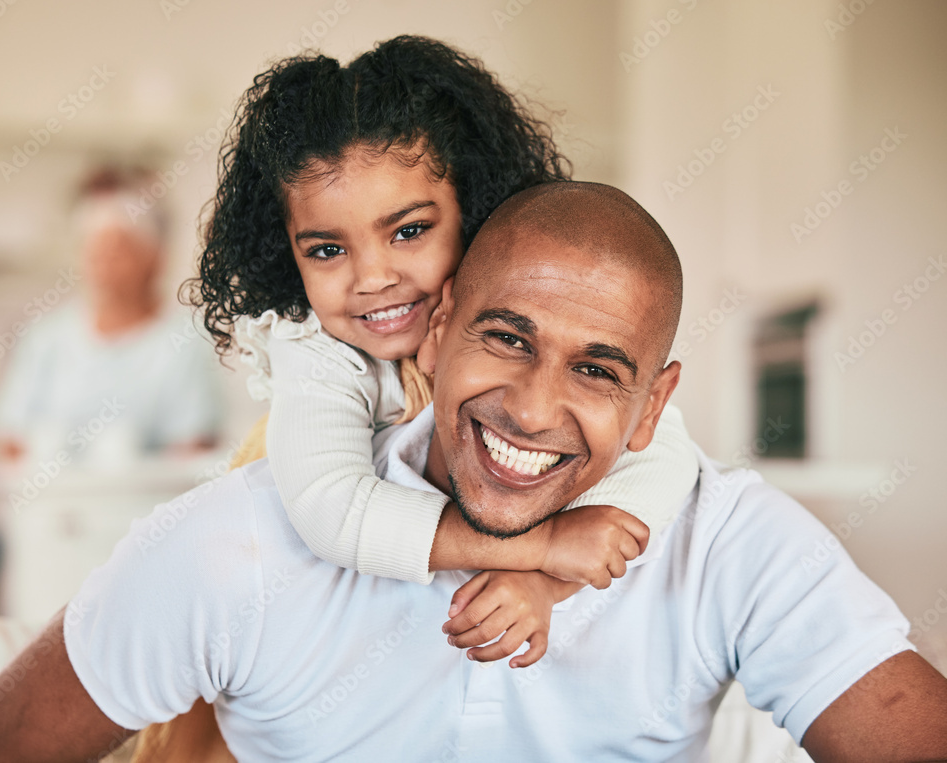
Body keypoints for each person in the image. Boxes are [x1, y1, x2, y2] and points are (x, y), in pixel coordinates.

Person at [0, 183, 947, 762]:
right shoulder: (238, 541)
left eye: (596, 370)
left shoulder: (728, 540)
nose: (529, 406)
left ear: (654, 403)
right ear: (436, 333)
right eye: (505, 338)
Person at [189, 35, 698, 667]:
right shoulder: (316, 354)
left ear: (474, 211)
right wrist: (541, 548)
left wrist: (547, 584)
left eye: (408, 231)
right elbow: (336, 517)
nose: (372, 278)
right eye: (326, 249)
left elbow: (668, 453)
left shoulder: (528, 332)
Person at [0, 166, 222, 463]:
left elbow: (195, 447)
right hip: (51, 507)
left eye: (116, 251)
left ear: (153, 257)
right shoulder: (45, 338)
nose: (102, 265)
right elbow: (9, 440)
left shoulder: (184, 342)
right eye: (93, 250)